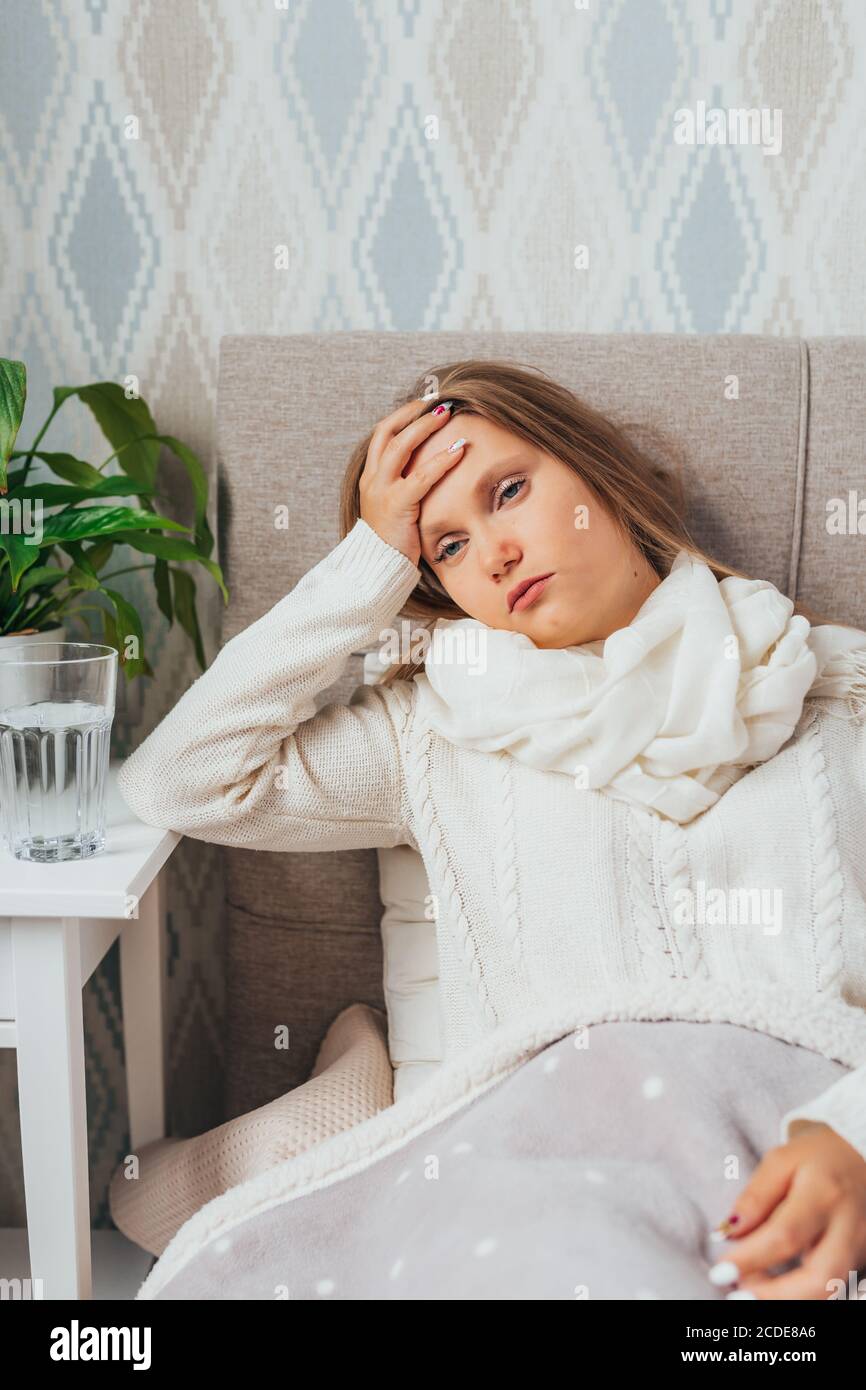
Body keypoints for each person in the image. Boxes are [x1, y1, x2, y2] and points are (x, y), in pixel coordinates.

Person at [117, 359, 866, 1299]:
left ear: (601, 474)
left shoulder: (839, 693)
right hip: (539, 1178)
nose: (497, 553)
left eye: (508, 492)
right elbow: (180, 780)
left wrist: (854, 1138)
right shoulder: (433, 736)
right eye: (447, 548)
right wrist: (369, 564)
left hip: (804, 1156)